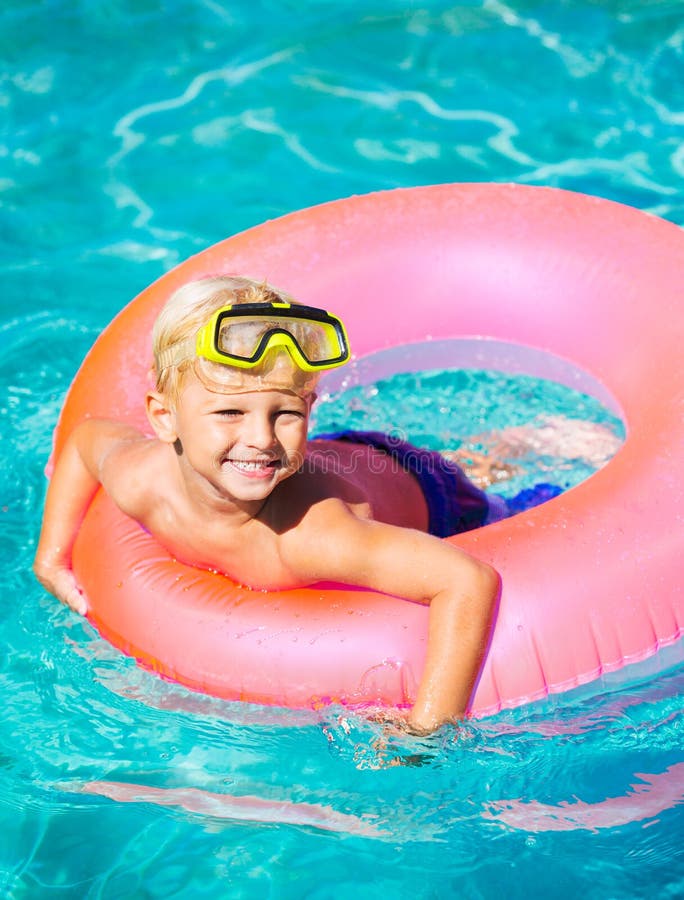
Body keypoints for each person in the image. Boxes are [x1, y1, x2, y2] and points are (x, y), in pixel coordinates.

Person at [34, 275, 501, 735]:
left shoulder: (310, 537)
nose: (261, 439)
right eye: (229, 412)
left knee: (502, 488)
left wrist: (427, 731)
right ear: (163, 417)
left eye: (287, 414)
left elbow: (467, 579)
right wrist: (51, 558)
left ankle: (506, 451)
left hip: (429, 491)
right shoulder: (141, 481)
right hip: (340, 457)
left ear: (309, 410)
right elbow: (85, 441)